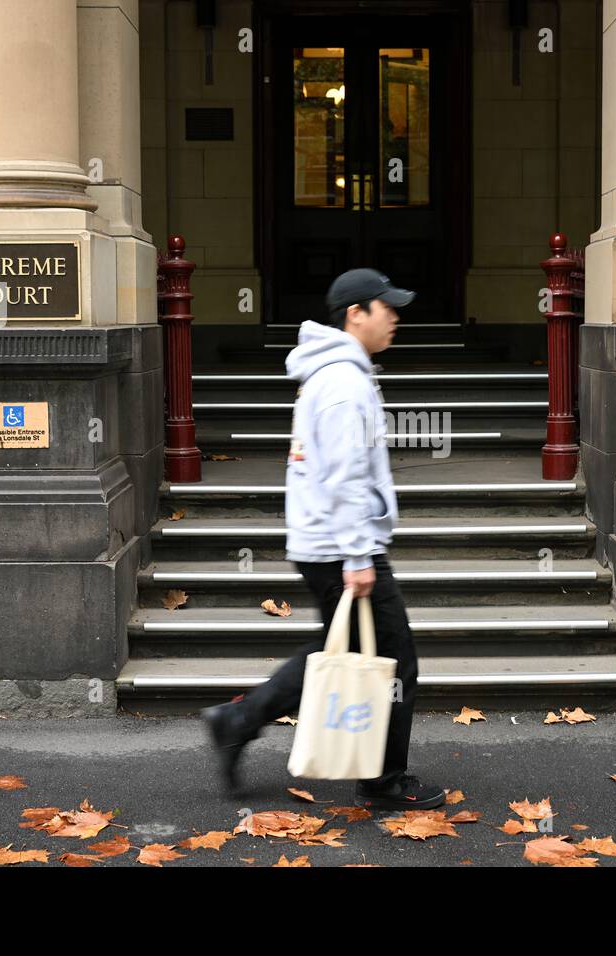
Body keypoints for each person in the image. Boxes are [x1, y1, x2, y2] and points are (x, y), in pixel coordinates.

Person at [201, 269, 445, 810]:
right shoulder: (343, 383)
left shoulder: (339, 374)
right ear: (355, 313)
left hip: (328, 545)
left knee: (340, 651)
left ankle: (237, 720)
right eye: (388, 308)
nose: (396, 317)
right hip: (342, 548)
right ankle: (385, 782)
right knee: (396, 661)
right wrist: (359, 554)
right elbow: (344, 476)